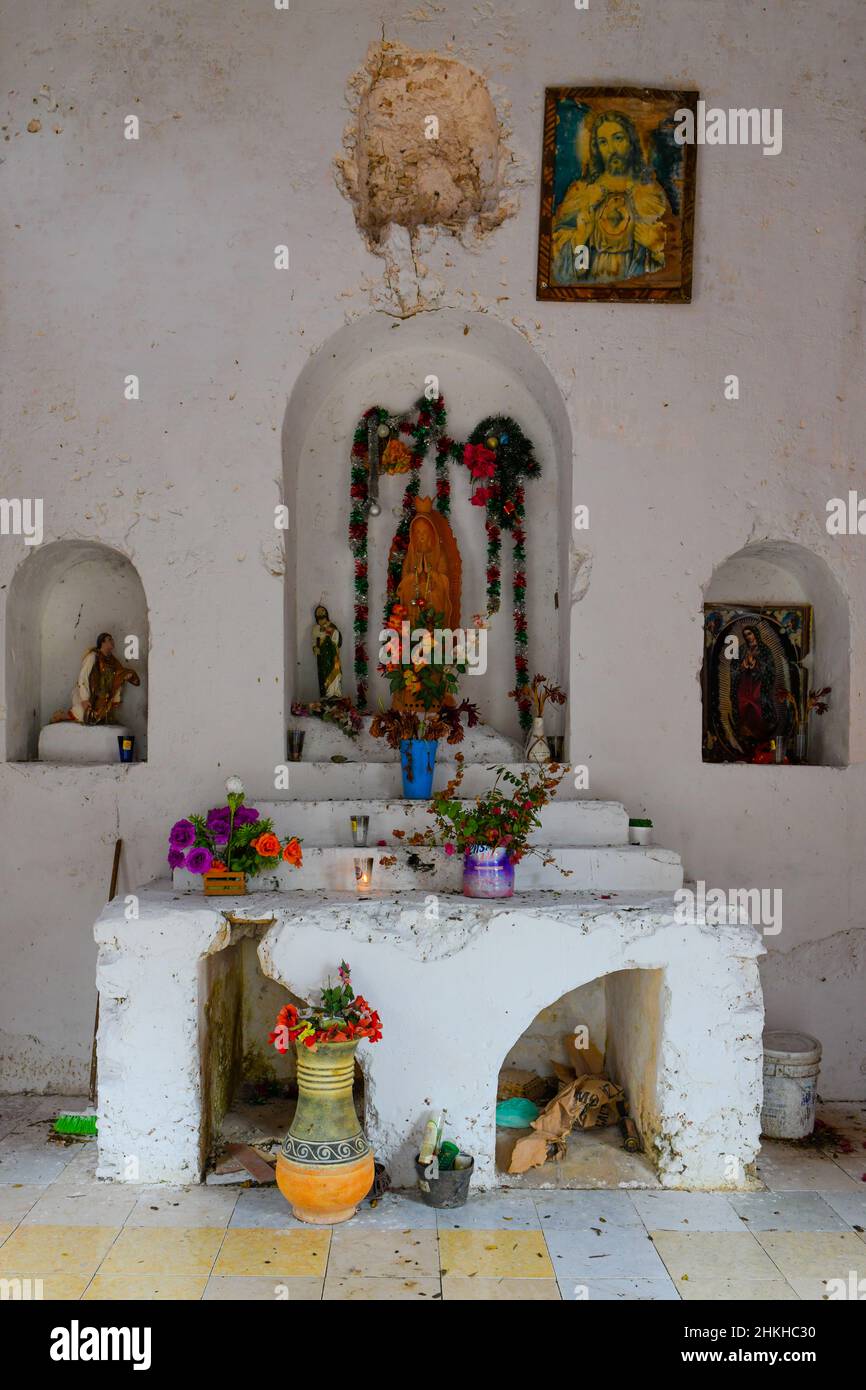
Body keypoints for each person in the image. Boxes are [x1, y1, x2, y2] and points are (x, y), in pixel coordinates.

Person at [551, 109, 669, 285]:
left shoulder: (650, 193)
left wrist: (655, 246)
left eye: (618, 138)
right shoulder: (582, 192)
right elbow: (565, 270)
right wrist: (580, 239)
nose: (611, 149)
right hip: (593, 286)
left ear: (631, 142)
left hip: (634, 284)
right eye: (603, 142)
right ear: (596, 148)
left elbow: (669, 268)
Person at [52, 632, 140, 725]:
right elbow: (83, 676)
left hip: (103, 694)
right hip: (90, 692)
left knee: (100, 715)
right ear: (102, 642)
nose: (112, 641)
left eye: (112, 639)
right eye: (109, 639)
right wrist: (85, 699)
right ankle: (61, 716)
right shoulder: (93, 656)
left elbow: (120, 672)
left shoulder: (112, 660)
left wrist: (127, 675)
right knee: (84, 714)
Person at [312, 605, 343, 699]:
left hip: (332, 654)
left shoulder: (332, 626)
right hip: (322, 656)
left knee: (335, 671)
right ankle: (326, 694)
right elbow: (314, 640)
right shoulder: (315, 628)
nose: (321, 614)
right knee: (323, 673)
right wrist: (314, 648)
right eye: (319, 613)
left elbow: (338, 639)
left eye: (322, 612)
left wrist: (331, 633)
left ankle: (335, 693)